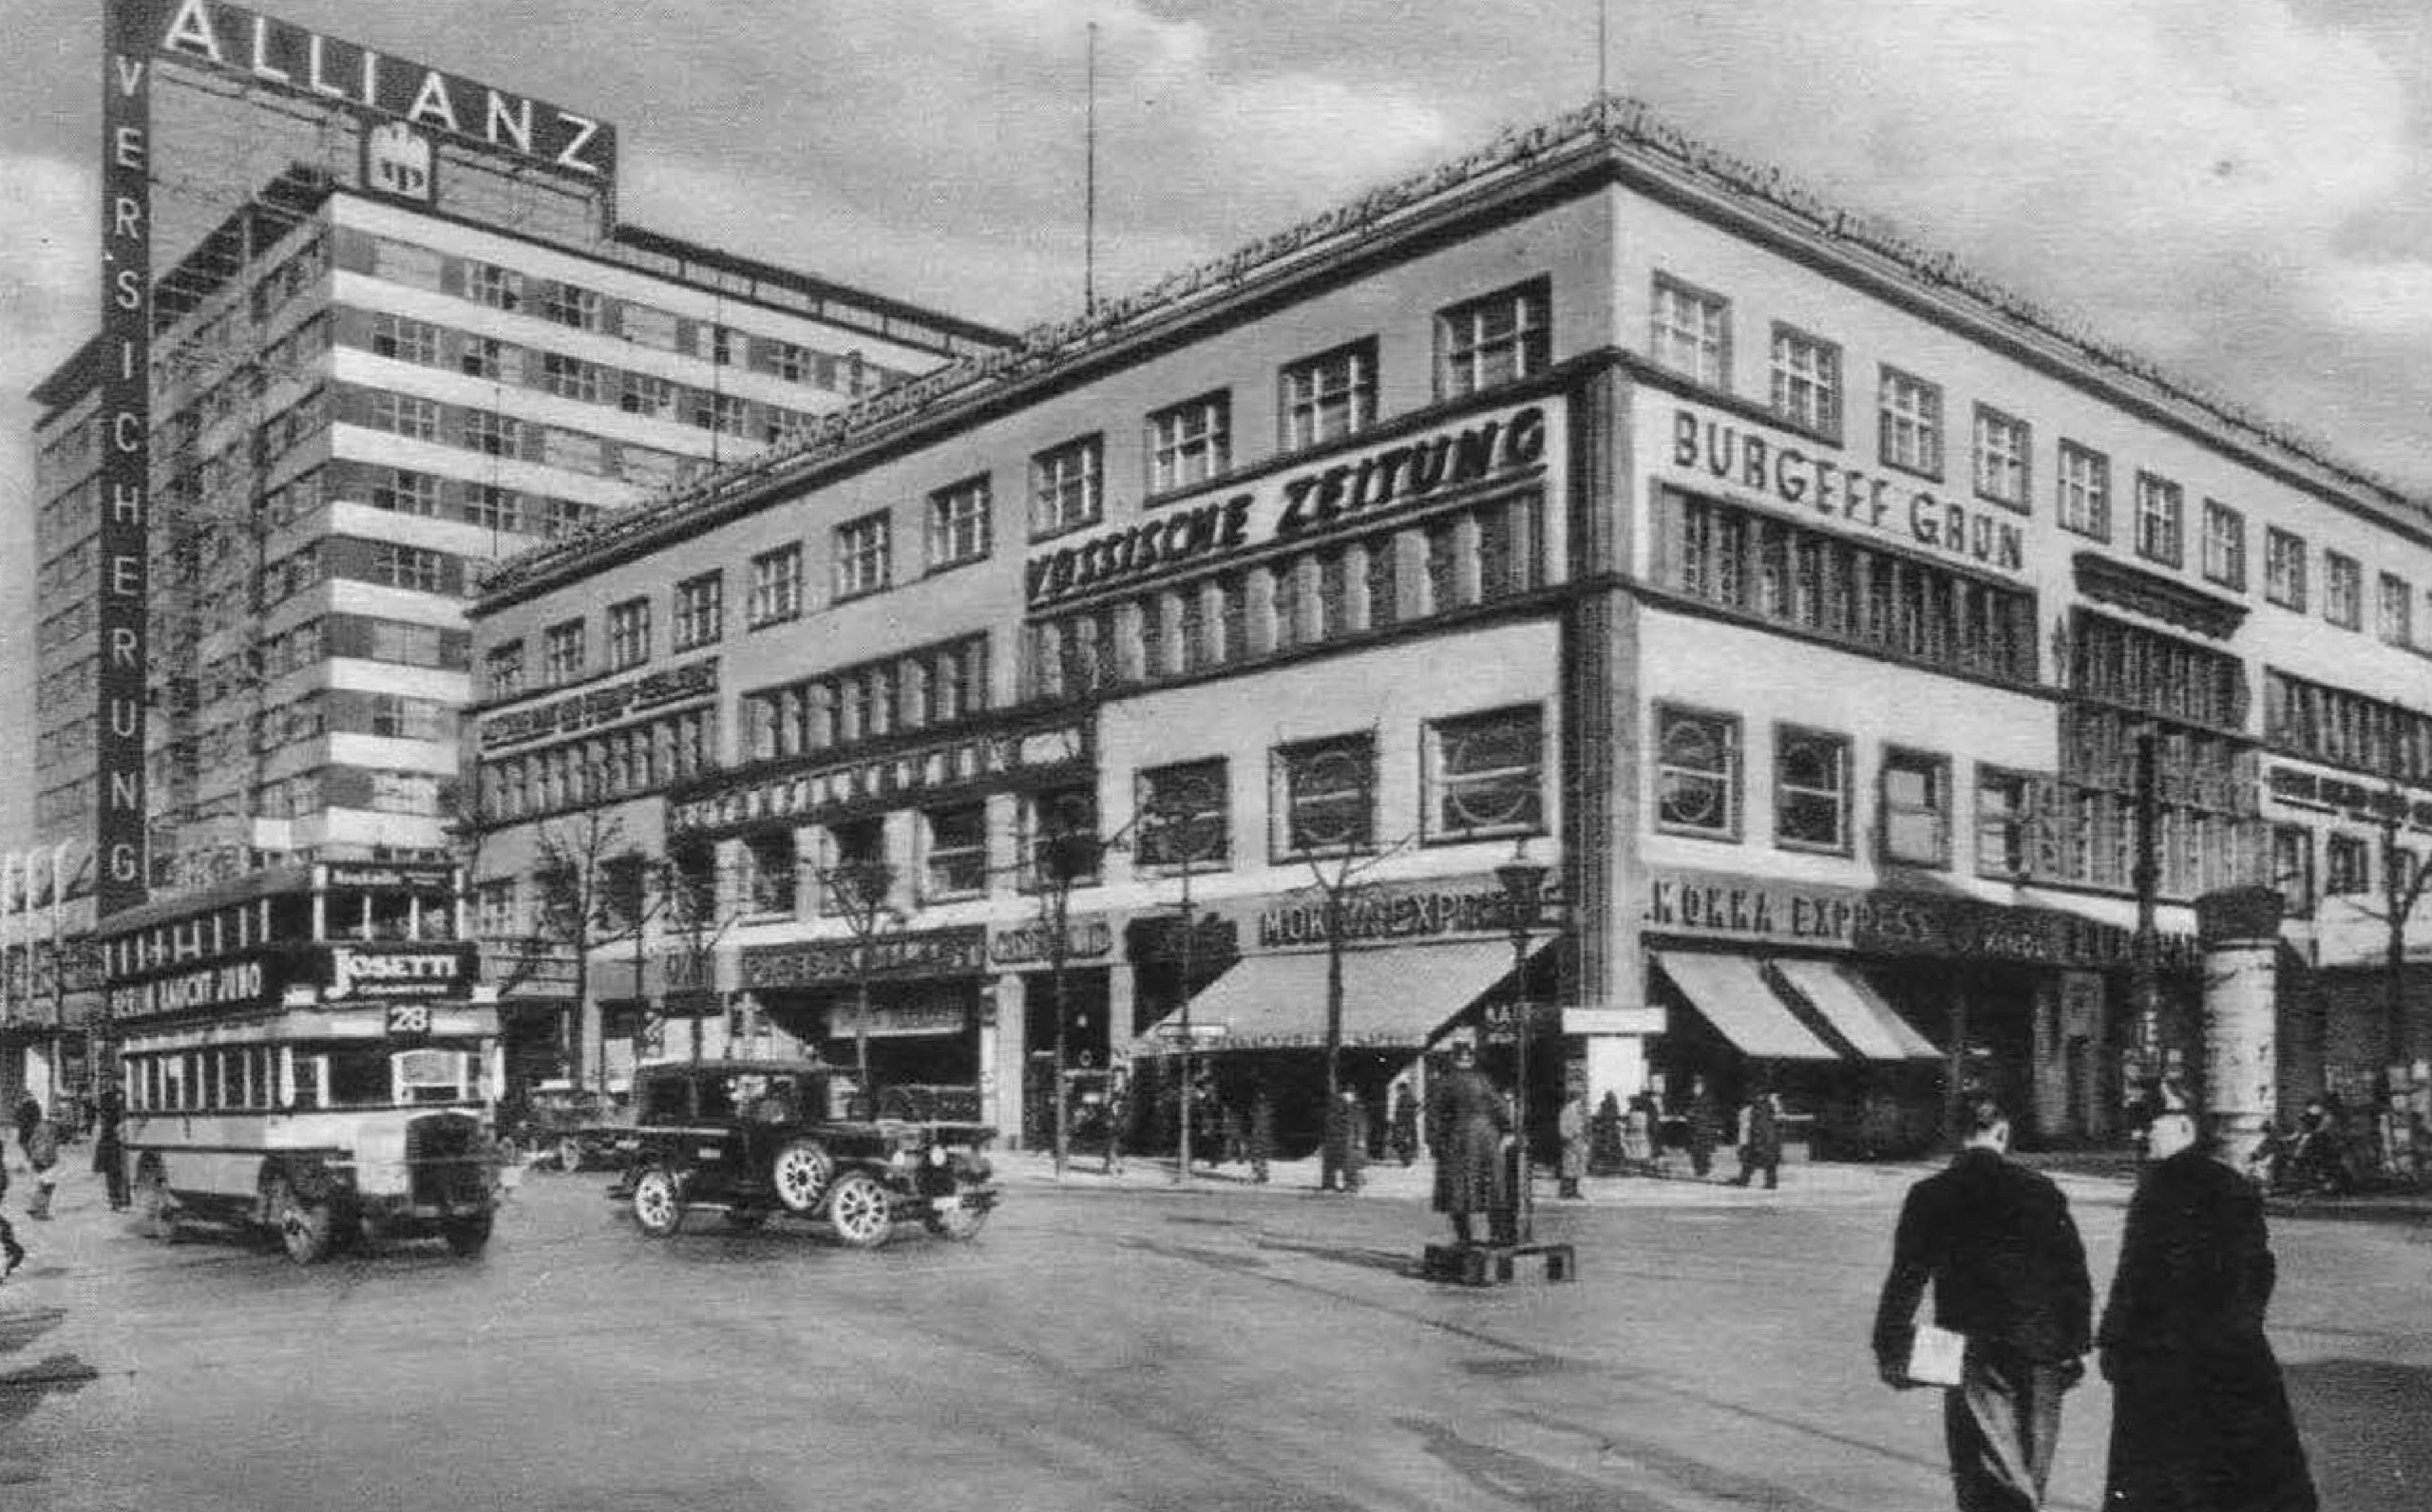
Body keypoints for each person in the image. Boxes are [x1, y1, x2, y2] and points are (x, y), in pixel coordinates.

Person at [1872, 1095, 2092, 1512]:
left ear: (1956, 1134)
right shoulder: (2041, 1190)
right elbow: (2073, 1275)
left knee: (1982, 1467)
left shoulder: (1929, 1194)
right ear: (2003, 1132)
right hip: (2042, 1347)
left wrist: (1889, 1346)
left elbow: (1906, 1279)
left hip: (1970, 1348)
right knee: (2030, 1468)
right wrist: (2076, 1345)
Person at [2098, 1112, 2318, 1512]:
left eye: (2156, 1128)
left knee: (2157, 1473)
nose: (2147, 1135)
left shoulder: (2157, 1187)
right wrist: (2242, 1326)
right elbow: (2258, 1271)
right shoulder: (2232, 1186)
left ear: (2189, 1130)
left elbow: (2134, 1274)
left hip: (2158, 1352)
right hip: (2229, 1351)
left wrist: (2114, 1340)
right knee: (2246, 1471)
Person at [1427, 1041, 1512, 1246]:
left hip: (1457, 1138)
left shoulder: (1444, 1082)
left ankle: (1464, 1237)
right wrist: (1507, 1130)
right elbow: (1501, 1106)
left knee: (1457, 1189)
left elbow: (1434, 1116)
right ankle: (1497, 1234)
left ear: (1453, 1059)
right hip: (1487, 1136)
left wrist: (1436, 1144)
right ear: (1471, 1060)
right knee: (1493, 1186)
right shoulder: (1483, 1080)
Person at [1732, 1087, 1783, 1190]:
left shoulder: (1758, 1109)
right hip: (1768, 1139)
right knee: (1767, 1162)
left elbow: (1753, 1125)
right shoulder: (1770, 1108)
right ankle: (1769, 1183)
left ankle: (1745, 1180)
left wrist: (1746, 1141)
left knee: (1751, 1160)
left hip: (1761, 1139)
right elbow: (1778, 1122)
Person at [1321, 1087, 1367, 1193]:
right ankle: (1329, 1185)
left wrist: (1360, 1139)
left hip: (1347, 1139)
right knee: (1330, 1163)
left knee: (1349, 1163)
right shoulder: (1334, 1107)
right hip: (1335, 1138)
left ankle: (1352, 1185)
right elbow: (1329, 1122)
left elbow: (1360, 1125)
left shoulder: (1356, 1109)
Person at [92, 1081, 128, 1212]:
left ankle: (116, 1200)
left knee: (115, 1173)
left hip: (112, 1141)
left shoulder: (114, 1097)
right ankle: (117, 1200)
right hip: (112, 1142)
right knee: (115, 1172)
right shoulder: (110, 1098)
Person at [24, 1106, 60, 1221]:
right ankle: (39, 1211)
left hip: (37, 1158)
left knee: (42, 1184)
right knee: (47, 1186)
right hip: (45, 1159)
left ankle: (34, 1206)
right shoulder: (51, 1129)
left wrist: (32, 1155)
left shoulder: (40, 1126)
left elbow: (31, 1143)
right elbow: (48, 1146)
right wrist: (47, 1160)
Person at [1684, 1076, 1722, 1179]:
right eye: (1695, 1087)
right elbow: (1688, 1111)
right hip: (1694, 1129)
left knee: (1703, 1151)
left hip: (1704, 1129)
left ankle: (1703, 1169)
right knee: (1695, 1151)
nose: (1696, 1089)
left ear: (1702, 1087)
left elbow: (1712, 1114)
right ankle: (1699, 1169)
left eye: (1698, 1086)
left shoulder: (1708, 1099)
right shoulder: (1692, 1099)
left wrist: (1716, 1128)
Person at [1555, 1087, 1589, 1200]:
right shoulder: (1569, 1109)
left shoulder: (1578, 1109)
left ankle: (1574, 1190)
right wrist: (1568, 1136)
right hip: (1571, 1140)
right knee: (1570, 1165)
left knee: (1577, 1165)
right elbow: (1564, 1126)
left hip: (1578, 1139)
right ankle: (1566, 1190)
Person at [1100, 1072, 1130, 1177]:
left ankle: (1115, 1166)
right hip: (1112, 1125)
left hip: (1120, 1126)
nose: (1118, 1082)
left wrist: (1123, 1122)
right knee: (1111, 1145)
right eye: (1116, 1079)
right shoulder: (1111, 1095)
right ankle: (1111, 1166)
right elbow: (1106, 1108)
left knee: (1118, 1147)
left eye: (1120, 1079)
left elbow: (1126, 1111)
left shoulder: (1125, 1098)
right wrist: (1108, 1120)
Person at [1388, 1082, 1421, 1168]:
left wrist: (1412, 1114)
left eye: (1399, 1090)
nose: (1398, 1091)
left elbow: (1416, 1107)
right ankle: (1406, 1160)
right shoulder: (1404, 1098)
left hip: (1405, 1124)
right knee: (1400, 1141)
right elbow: (1418, 1106)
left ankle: (1406, 1160)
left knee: (1401, 1141)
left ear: (1403, 1089)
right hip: (1404, 1123)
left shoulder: (1407, 1098)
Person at [1246, 1085, 1274, 1184]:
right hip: (1262, 1132)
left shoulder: (1259, 1107)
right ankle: (1262, 1174)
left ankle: (1260, 1174)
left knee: (1257, 1153)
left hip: (1259, 1132)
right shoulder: (1266, 1107)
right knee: (1260, 1154)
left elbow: (1255, 1118)